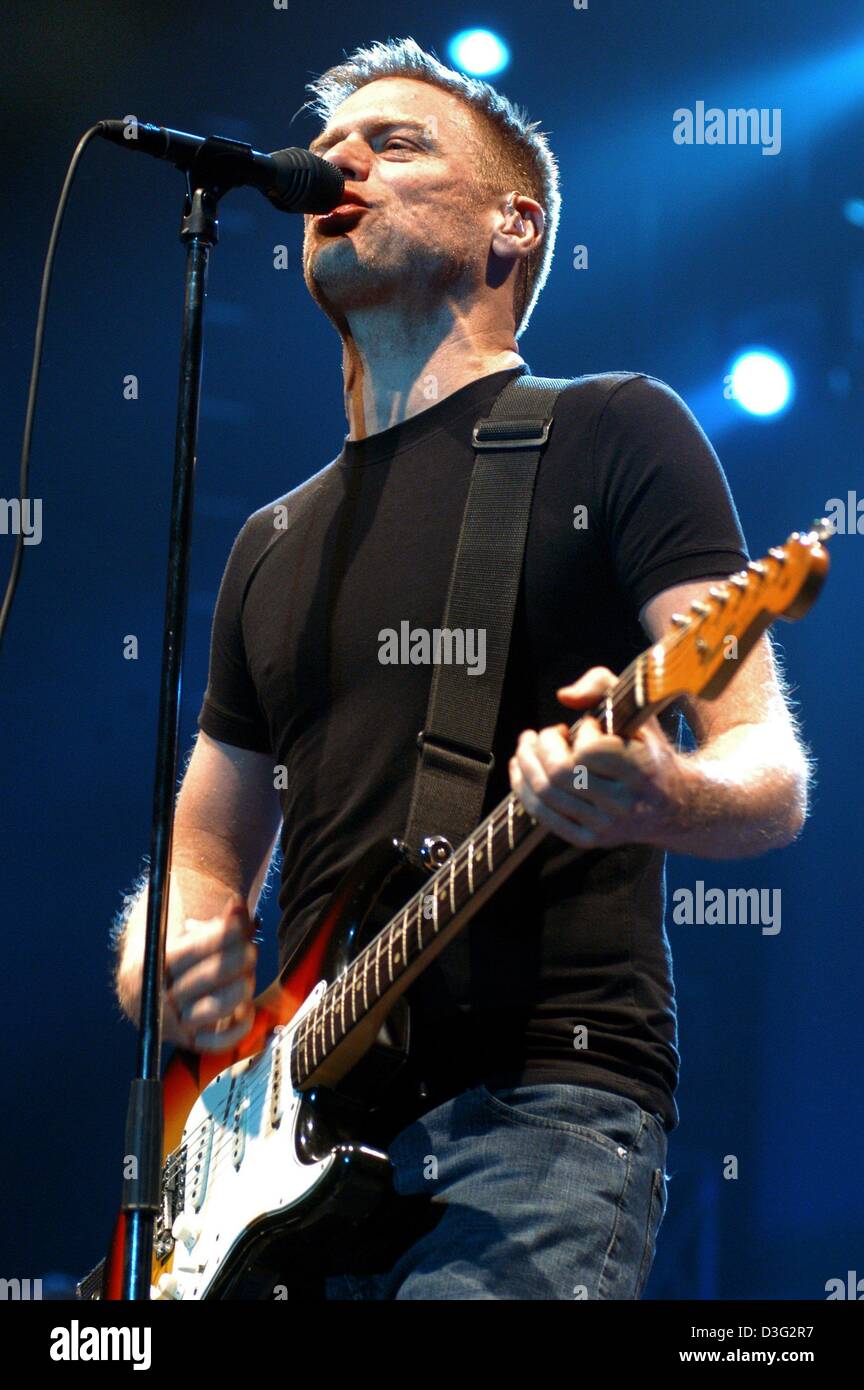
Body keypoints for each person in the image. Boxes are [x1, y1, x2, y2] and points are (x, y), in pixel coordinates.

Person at [113, 38, 811, 1300]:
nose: (340, 164)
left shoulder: (614, 431)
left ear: (513, 222)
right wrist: (162, 944)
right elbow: (208, 858)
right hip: (286, 1158)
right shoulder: (270, 540)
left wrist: (663, 795)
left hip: (534, 1115)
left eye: (393, 143)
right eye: (330, 148)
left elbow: (770, 770)